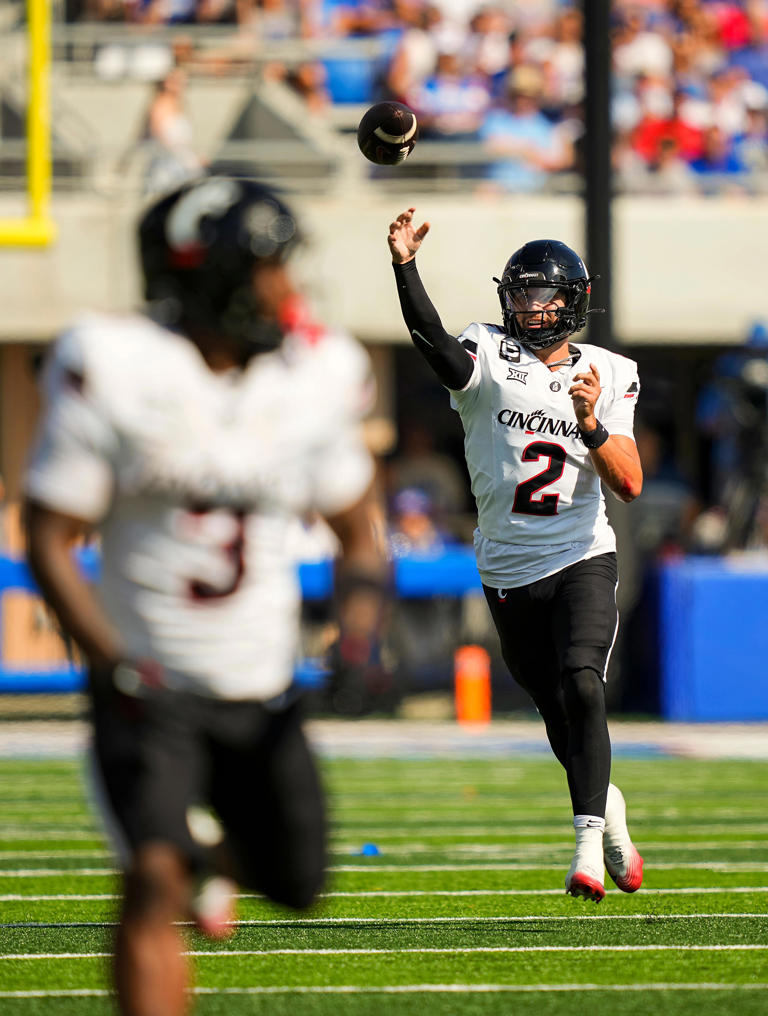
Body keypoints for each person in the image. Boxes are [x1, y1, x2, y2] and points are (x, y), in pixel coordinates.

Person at [24, 176, 387, 1016]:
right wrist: (111, 664)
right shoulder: (113, 364)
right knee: (148, 880)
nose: (286, 290)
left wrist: (362, 637)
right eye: (267, 269)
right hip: (148, 683)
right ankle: (177, 862)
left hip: (260, 685)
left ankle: (208, 860)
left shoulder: (317, 373)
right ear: (207, 274)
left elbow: (359, 530)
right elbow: (48, 533)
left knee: (299, 885)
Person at [386, 206, 644, 902]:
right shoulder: (487, 354)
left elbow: (629, 482)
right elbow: (436, 346)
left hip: (582, 551)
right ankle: (609, 810)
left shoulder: (610, 372)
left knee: (583, 681)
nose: (530, 308)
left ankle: (588, 843)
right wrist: (405, 266)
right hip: (505, 565)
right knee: (558, 711)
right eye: (521, 293)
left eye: (544, 295)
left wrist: (589, 423)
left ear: (574, 302)